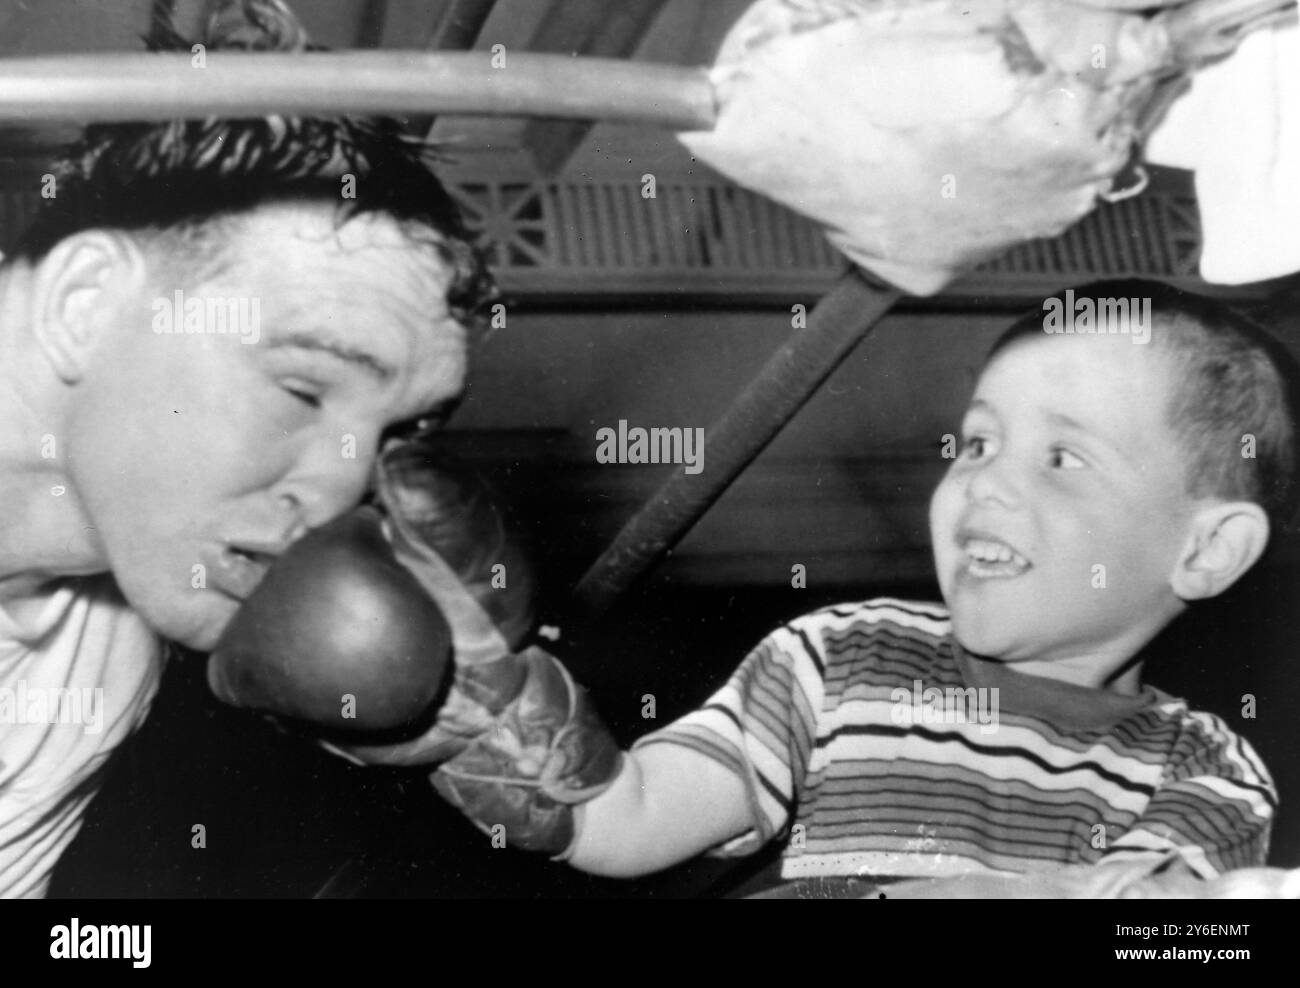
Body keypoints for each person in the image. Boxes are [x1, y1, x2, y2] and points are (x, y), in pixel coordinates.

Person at [386, 279, 1297, 897]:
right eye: (977, 443)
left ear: (1208, 549)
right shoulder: (842, 656)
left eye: (1063, 457)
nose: (985, 483)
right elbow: (630, 818)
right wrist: (485, 722)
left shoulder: (1206, 769)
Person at [0, 3, 493, 898]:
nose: (347, 491)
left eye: (398, 434)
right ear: (85, 305)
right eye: (302, 389)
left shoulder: (108, 658)